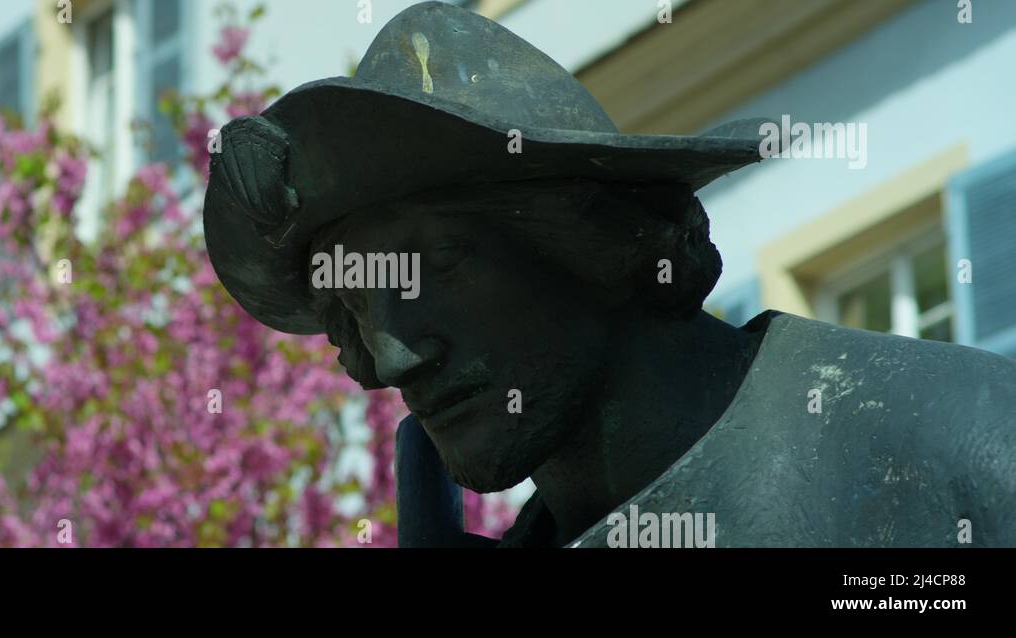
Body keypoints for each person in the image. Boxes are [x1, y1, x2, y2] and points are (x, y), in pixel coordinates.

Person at [202, 1, 1016, 547]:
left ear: (588, 241)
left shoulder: (961, 442)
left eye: (433, 270)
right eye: (354, 312)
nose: (391, 361)